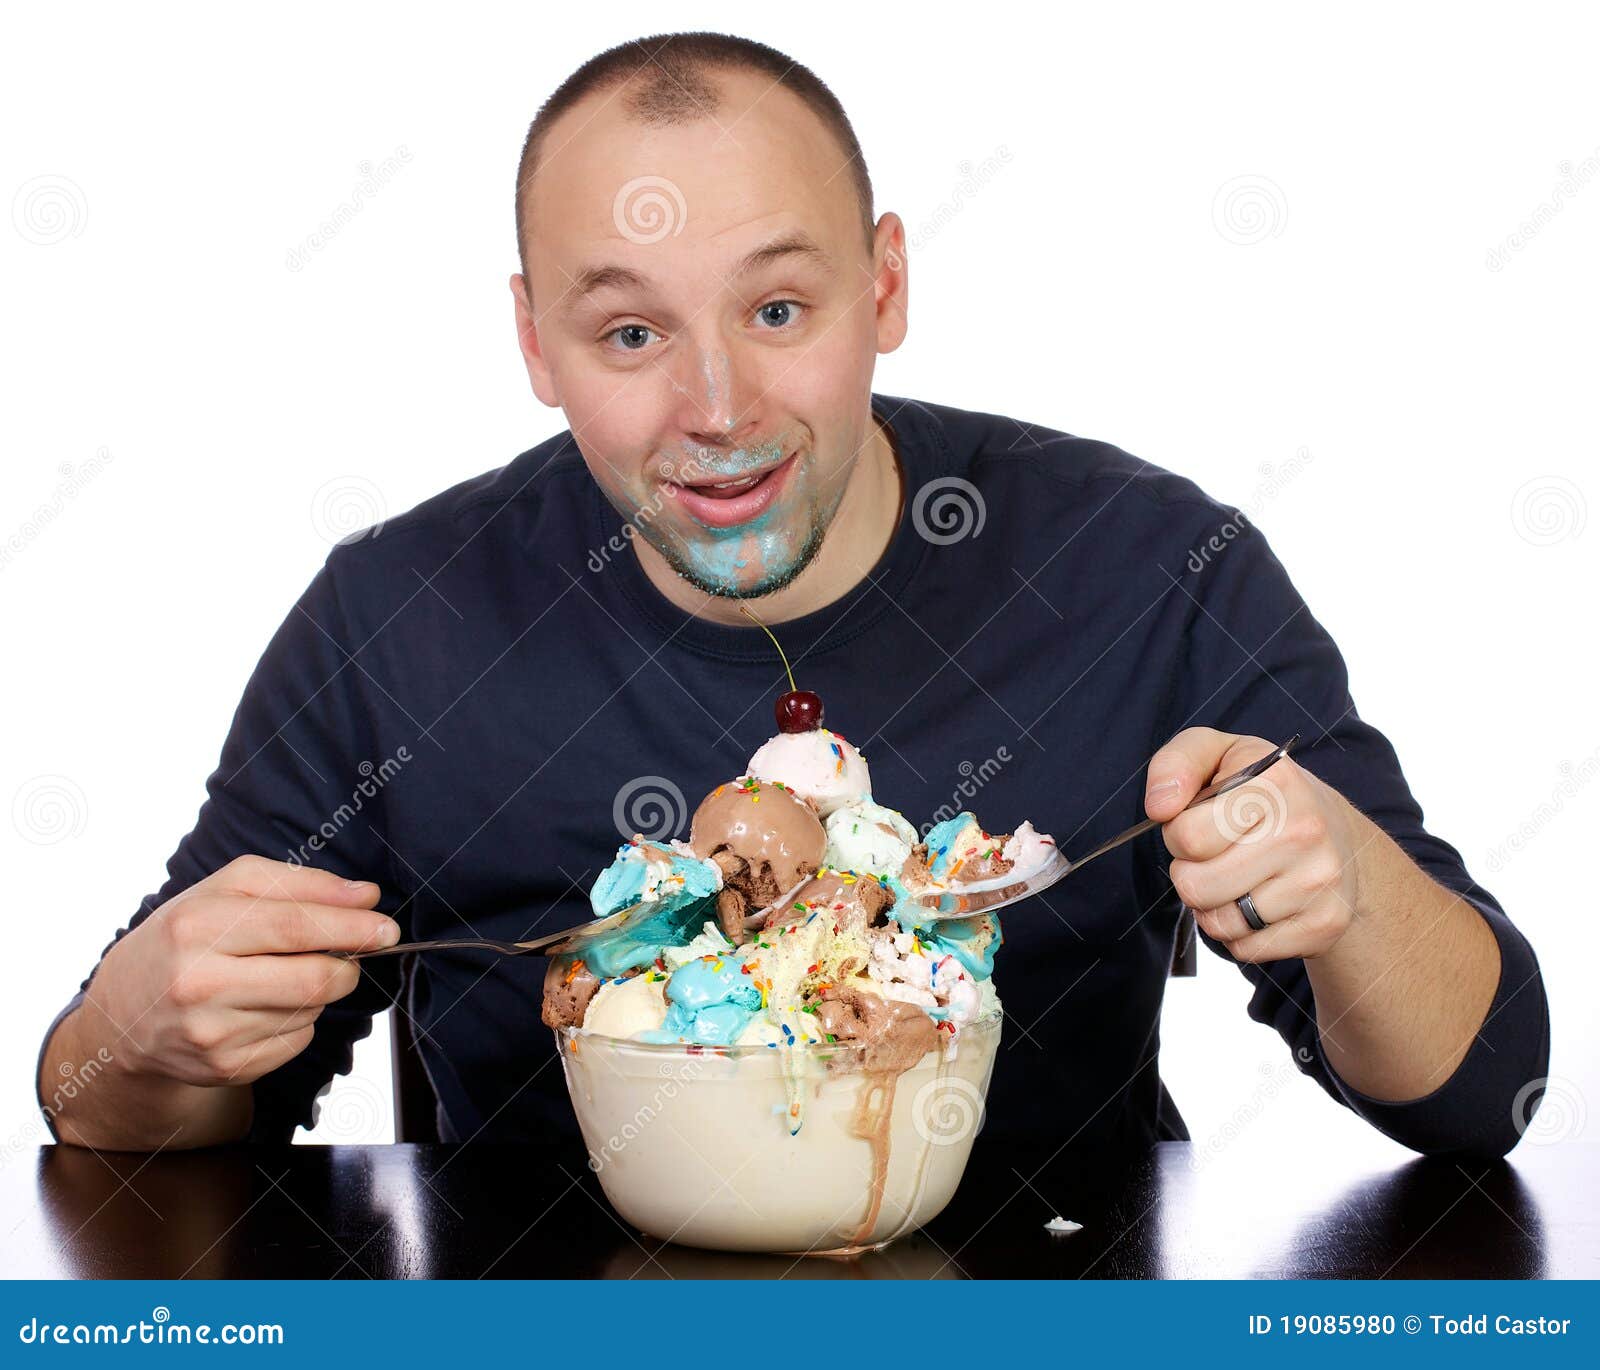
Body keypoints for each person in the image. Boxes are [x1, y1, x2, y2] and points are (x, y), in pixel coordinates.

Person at [39, 31, 1547, 1160]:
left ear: (884, 286)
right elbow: (115, 1117)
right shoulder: (400, 620)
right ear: (535, 342)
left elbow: (1488, 1091)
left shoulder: (1144, 570)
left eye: (777, 307)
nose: (717, 408)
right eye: (630, 334)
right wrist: (139, 1031)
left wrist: (1350, 896)